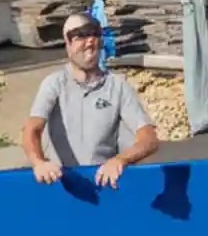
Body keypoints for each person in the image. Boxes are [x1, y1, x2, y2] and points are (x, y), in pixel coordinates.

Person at [22, 13, 159, 189]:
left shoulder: (118, 86)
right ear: (68, 43)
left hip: (103, 183)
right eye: (80, 36)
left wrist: (120, 160)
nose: (89, 42)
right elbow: (31, 129)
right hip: (61, 184)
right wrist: (39, 163)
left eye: (94, 34)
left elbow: (149, 137)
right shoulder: (54, 84)